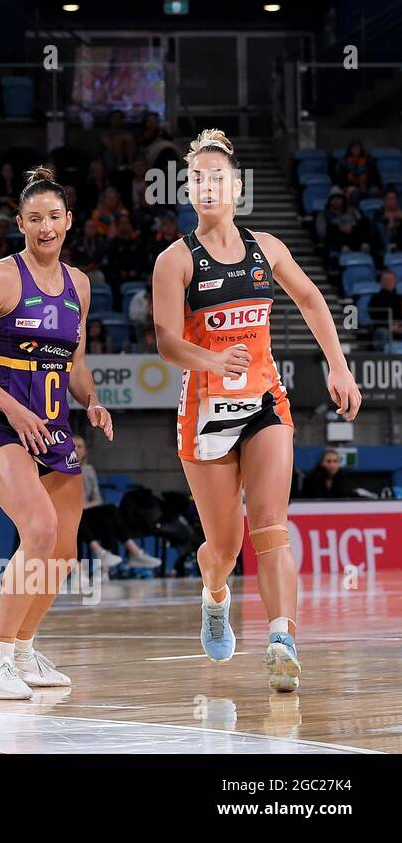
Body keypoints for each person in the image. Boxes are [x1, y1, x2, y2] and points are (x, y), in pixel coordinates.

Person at [152, 129, 361, 693]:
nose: (207, 186)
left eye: (217, 177)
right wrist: (213, 360)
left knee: (271, 527)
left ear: (237, 186)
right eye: (197, 178)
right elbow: (167, 343)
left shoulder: (267, 249)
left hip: (265, 404)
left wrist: (338, 367)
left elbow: (314, 299)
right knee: (222, 548)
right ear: (188, 189)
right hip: (204, 413)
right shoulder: (175, 260)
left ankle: (281, 641)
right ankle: (214, 596)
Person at [0, 166, 116, 699]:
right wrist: (12, 410)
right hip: (2, 425)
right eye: (34, 218)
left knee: (62, 550)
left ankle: (23, 648)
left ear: (69, 221)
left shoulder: (78, 285)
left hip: (55, 427)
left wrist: (92, 400)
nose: (45, 226)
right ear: (20, 222)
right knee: (37, 528)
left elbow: (76, 361)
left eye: (54, 217)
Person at [73, 434, 160, 570]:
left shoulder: (88, 470)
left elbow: (97, 498)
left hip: (86, 514)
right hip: (70, 515)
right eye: (72, 447)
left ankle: (133, 553)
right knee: (77, 516)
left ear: (84, 451)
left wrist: (86, 506)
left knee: (110, 511)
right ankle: (100, 553)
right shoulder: (61, 469)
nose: (76, 450)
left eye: (79, 447)